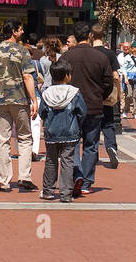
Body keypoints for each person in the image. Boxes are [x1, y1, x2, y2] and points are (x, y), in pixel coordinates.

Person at [0, 20, 38, 193]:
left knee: (3, 139)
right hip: (19, 99)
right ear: (14, 31)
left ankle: (4, 181)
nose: (22, 31)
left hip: (0, 100)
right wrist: (34, 100)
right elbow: (28, 76)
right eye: (20, 29)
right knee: (25, 138)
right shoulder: (22, 51)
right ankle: (24, 177)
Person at [59, 27, 113, 197]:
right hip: (94, 105)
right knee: (91, 145)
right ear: (90, 36)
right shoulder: (101, 57)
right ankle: (86, 182)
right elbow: (108, 83)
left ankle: (77, 174)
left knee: (73, 143)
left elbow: (58, 76)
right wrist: (99, 96)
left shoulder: (67, 56)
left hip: (71, 106)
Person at [38, 61, 87, 202]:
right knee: (67, 162)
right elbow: (82, 112)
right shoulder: (74, 92)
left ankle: (48, 191)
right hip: (70, 132)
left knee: (51, 161)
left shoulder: (47, 93)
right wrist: (78, 125)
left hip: (51, 132)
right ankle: (66, 194)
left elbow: (42, 112)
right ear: (67, 76)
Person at [93, 31, 122, 167]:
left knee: (92, 126)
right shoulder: (110, 54)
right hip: (107, 94)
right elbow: (116, 75)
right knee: (108, 124)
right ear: (102, 36)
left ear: (91, 36)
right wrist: (117, 93)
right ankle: (111, 147)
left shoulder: (89, 53)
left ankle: (92, 152)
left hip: (92, 95)